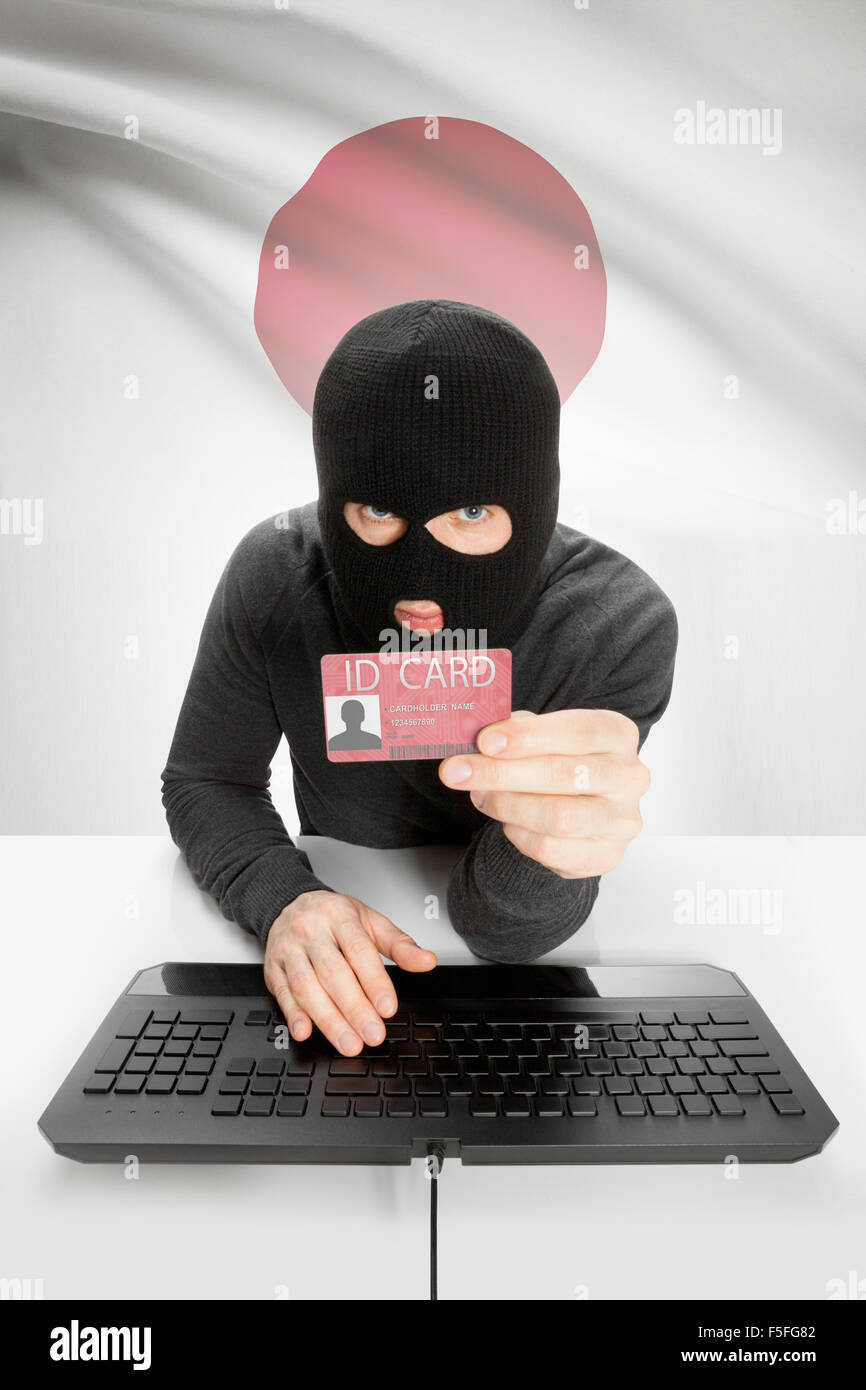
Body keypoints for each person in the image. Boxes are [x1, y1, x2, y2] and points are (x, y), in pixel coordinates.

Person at [161, 300, 677, 1057]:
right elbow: (208, 780)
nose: (418, 581)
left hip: (526, 996)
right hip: (333, 966)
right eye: (376, 509)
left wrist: (546, 848)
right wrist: (286, 900)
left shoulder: (613, 623)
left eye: (470, 511)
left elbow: (502, 934)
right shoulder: (276, 573)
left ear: (535, 502)